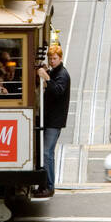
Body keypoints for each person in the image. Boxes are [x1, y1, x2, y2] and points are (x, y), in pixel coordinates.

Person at [35, 44, 71, 198]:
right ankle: (45, 184)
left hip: (54, 121)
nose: (52, 61)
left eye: (54, 58)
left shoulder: (62, 74)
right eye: (50, 58)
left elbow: (57, 91)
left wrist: (46, 77)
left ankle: (49, 186)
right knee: (45, 153)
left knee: (47, 153)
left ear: (60, 58)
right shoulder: (55, 71)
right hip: (49, 119)